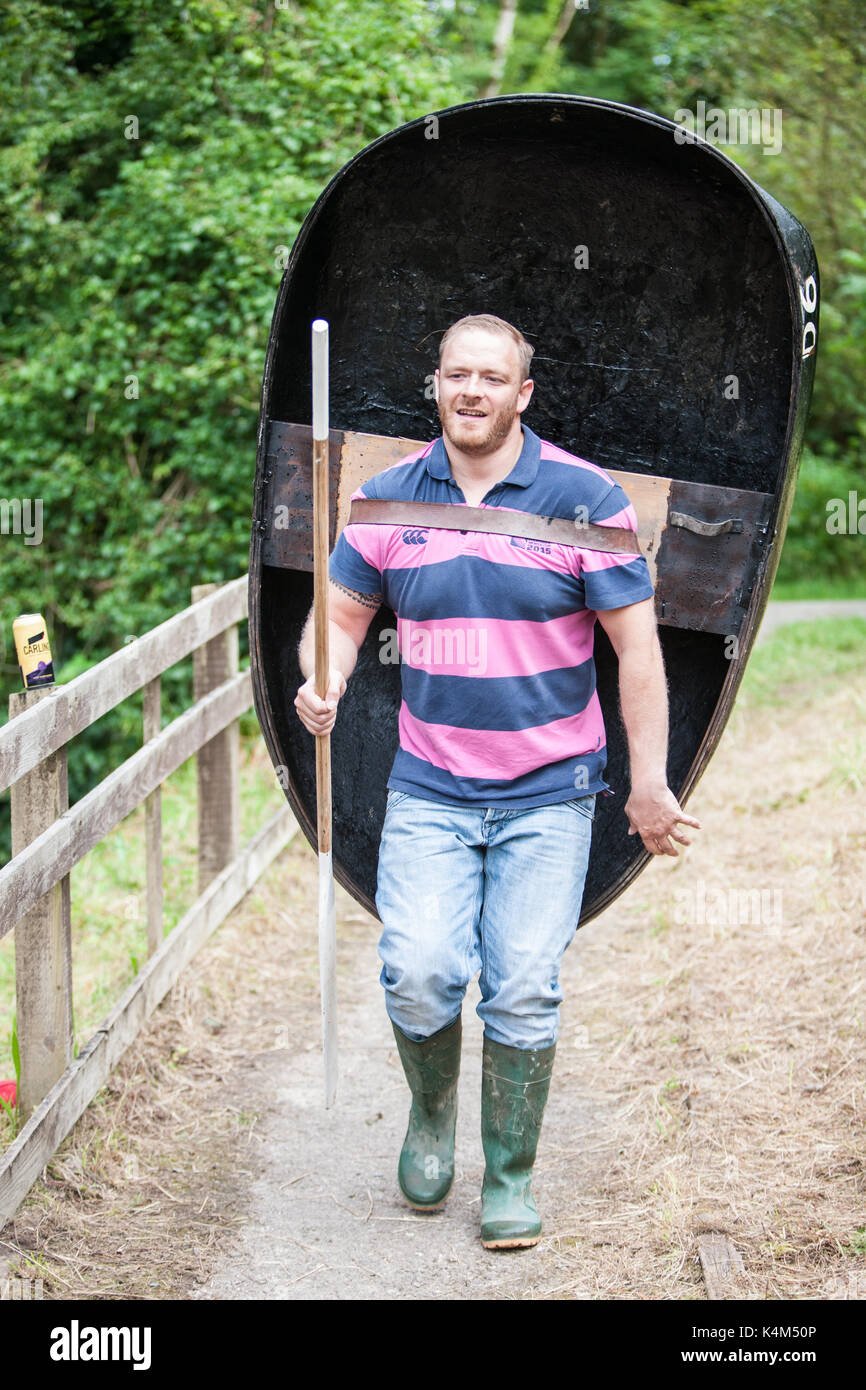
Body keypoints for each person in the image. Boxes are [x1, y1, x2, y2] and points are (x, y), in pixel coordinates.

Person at [294, 313, 700, 1249]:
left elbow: (636, 652)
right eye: (455, 375)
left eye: (491, 378)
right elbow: (342, 617)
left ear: (522, 395)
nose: (471, 391)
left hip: (550, 793)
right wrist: (324, 676)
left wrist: (649, 783)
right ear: (434, 386)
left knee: (521, 984)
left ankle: (509, 1177)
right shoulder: (386, 500)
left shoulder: (586, 500)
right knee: (420, 971)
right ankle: (431, 1120)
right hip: (431, 790)